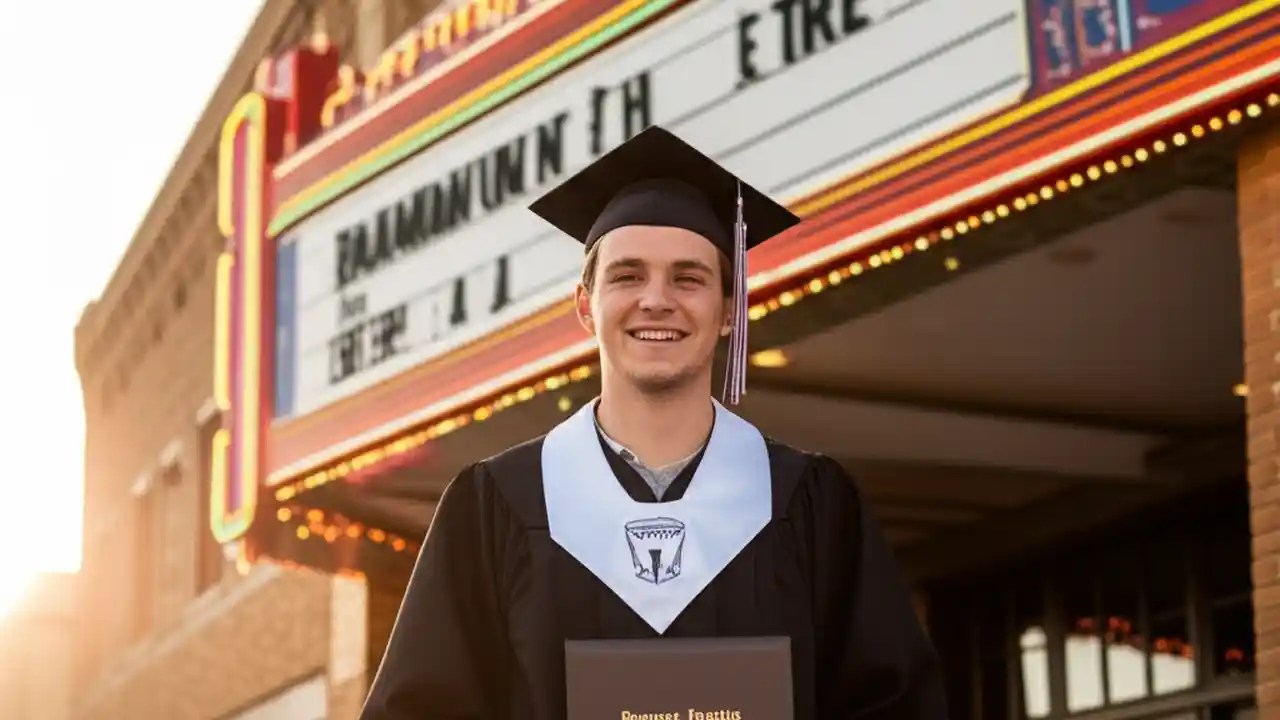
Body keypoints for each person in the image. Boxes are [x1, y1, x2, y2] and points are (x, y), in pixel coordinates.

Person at [359, 126, 948, 719]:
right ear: (586, 306)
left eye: (688, 278)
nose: (657, 299)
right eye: (627, 275)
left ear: (728, 310)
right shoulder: (496, 507)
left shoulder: (812, 504)